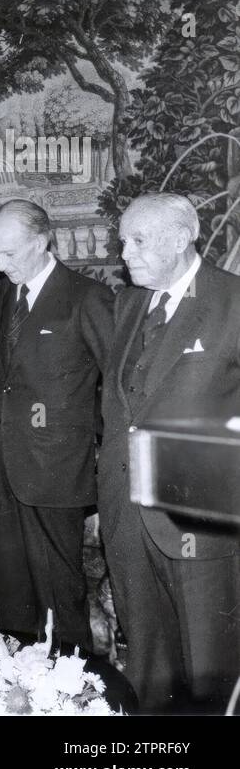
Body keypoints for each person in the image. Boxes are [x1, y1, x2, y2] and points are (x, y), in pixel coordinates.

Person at [97, 193, 240, 712]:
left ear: (181, 240)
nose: (124, 252)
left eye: (137, 240)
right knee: (147, 665)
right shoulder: (129, 303)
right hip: (126, 515)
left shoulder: (233, 303)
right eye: (122, 240)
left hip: (200, 519)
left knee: (209, 665)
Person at [0, 200, 112, 651]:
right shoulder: (11, 293)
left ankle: (73, 691)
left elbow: (118, 385)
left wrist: (84, 435)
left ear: (44, 241)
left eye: (9, 253)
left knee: (60, 600)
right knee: (15, 601)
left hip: (54, 474)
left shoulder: (88, 298)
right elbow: (3, 376)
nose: (0, 266)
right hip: (3, 469)